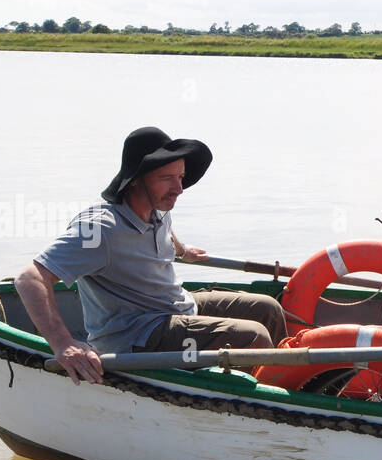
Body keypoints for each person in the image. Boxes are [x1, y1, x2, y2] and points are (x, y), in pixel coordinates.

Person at [16, 127, 286, 384]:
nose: (178, 188)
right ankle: (266, 405)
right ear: (135, 180)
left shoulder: (159, 208)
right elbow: (30, 278)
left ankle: (287, 380)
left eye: (180, 177)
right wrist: (63, 344)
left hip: (175, 307)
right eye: (167, 178)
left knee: (268, 309)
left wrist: (182, 250)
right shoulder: (99, 229)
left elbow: (165, 232)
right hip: (137, 334)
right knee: (254, 337)